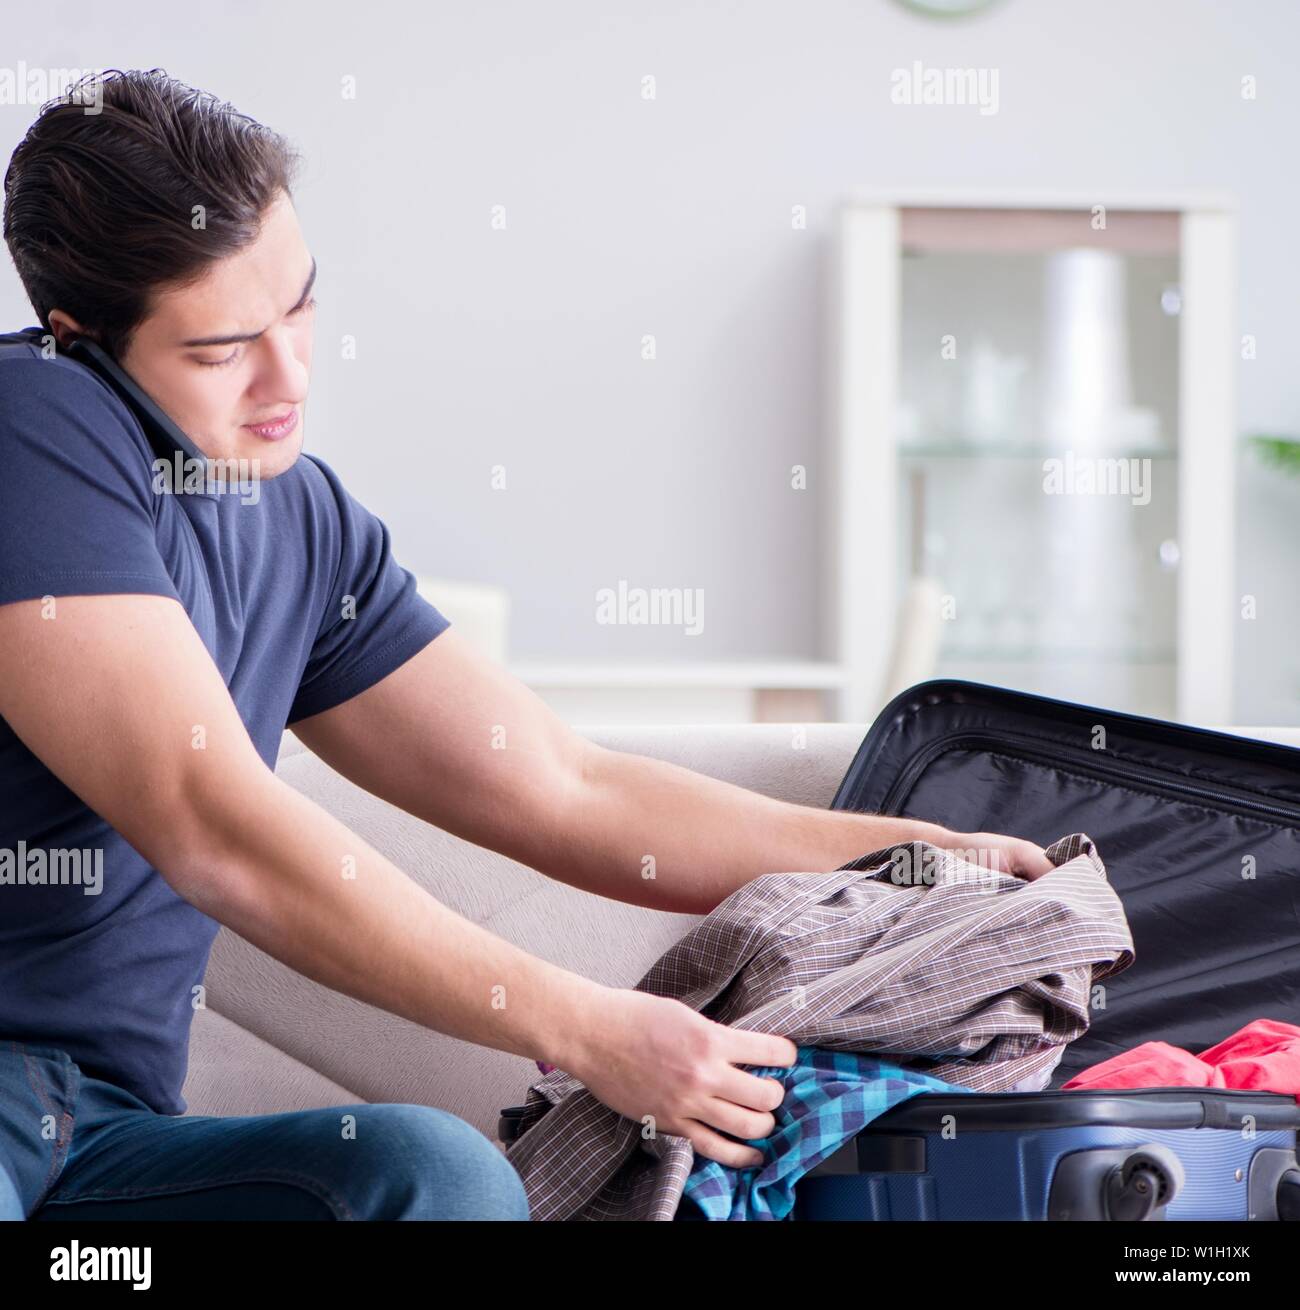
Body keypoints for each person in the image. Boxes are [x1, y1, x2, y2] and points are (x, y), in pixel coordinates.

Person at [0, 68, 1051, 1221]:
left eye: (300, 307)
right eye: (222, 349)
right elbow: (211, 822)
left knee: (430, 1175)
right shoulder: (34, 421)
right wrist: (586, 1025)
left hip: (106, 1138)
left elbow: (565, 785)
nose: (289, 377)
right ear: (79, 336)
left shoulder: (300, 523)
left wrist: (906, 856)